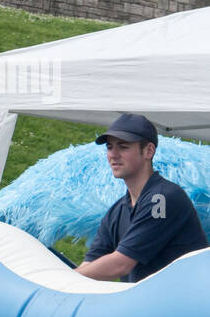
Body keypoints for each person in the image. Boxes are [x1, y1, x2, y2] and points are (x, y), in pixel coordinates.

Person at [76, 114, 208, 282]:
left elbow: (120, 264)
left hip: (188, 305)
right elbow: (89, 264)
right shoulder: (116, 210)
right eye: (109, 147)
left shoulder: (162, 199)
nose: (113, 155)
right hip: (153, 306)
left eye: (123, 147)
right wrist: (65, 280)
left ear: (148, 151)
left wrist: (64, 279)